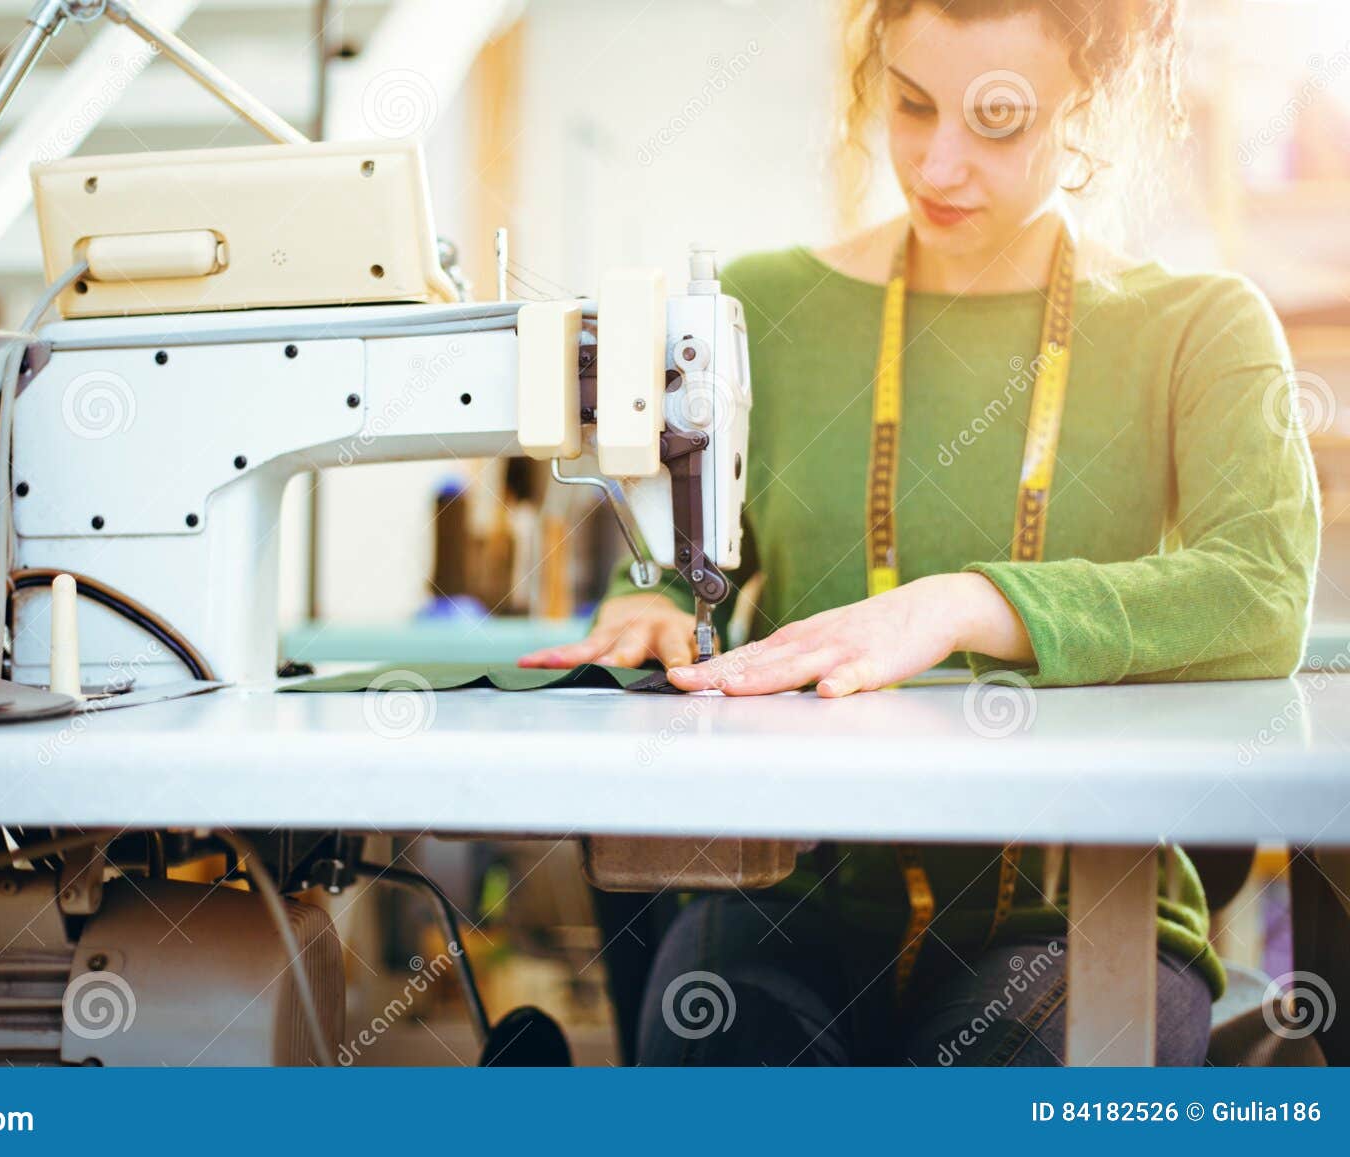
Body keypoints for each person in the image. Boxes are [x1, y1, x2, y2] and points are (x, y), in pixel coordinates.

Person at [520, 0, 1321, 1065]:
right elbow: (687, 556)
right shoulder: (761, 307)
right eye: (910, 105)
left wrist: (962, 602)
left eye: (998, 121)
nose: (937, 165)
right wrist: (651, 601)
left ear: (1090, 108)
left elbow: (1261, 590)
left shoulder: (1199, 325)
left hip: (1078, 900)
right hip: (786, 885)